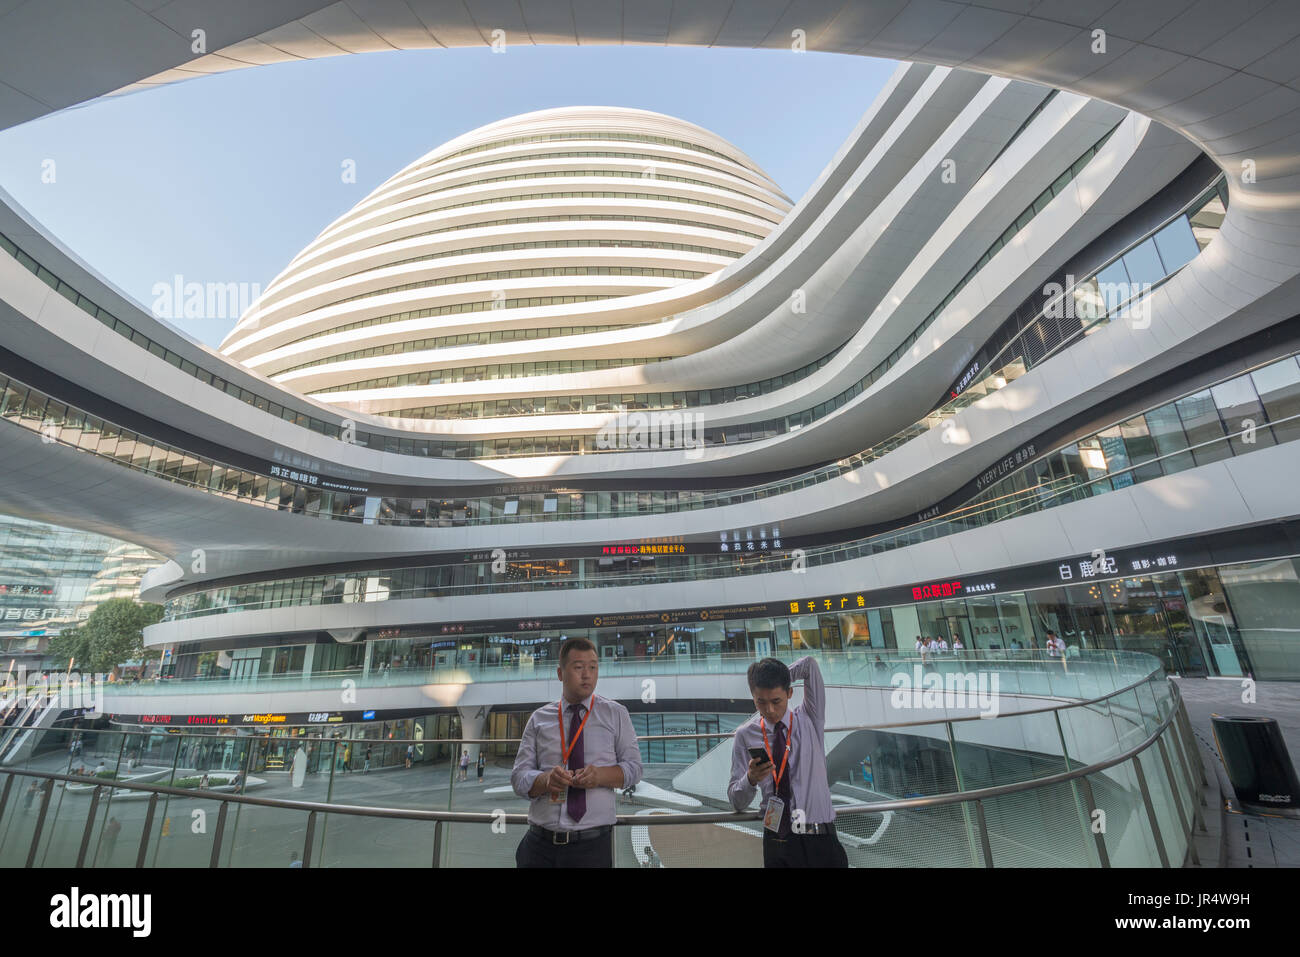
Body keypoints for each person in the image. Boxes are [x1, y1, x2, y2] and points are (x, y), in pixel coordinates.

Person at [511, 637, 642, 868]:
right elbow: (519, 778)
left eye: (593, 667)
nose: (587, 674)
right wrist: (544, 780)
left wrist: (600, 776)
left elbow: (634, 769)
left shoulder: (616, 714)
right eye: (579, 667)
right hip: (539, 844)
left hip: (592, 846)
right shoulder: (539, 719)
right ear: (560, 673)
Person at [729, 657, 848, 868]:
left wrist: (780, 676)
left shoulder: (810, 717)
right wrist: (750, 779)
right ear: (753, 698)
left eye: (776, 701)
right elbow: (736, 801)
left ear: (789, 693)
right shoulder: (745, 735)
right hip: (777, 840)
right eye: (760, 702)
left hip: (820, 836)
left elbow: (809, 665)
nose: (770, 710)